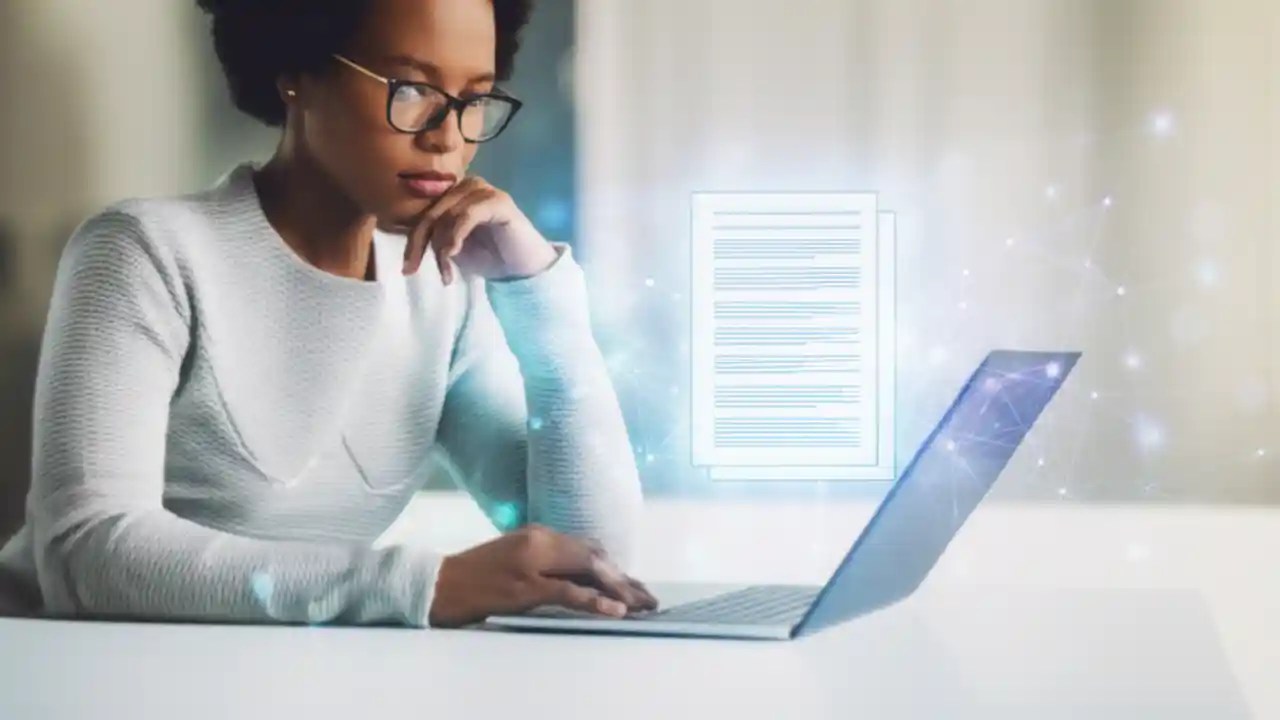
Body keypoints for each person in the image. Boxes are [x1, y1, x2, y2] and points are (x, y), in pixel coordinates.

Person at [0, 0, 655, 627]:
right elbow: (83, 552)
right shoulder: (145, 252)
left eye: (474, 99)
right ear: (297, 72)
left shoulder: (441, 290)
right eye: (410, 88)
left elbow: (591, 559)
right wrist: (425, 587)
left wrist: (538, 288)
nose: (448, 137)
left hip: (295, 686)